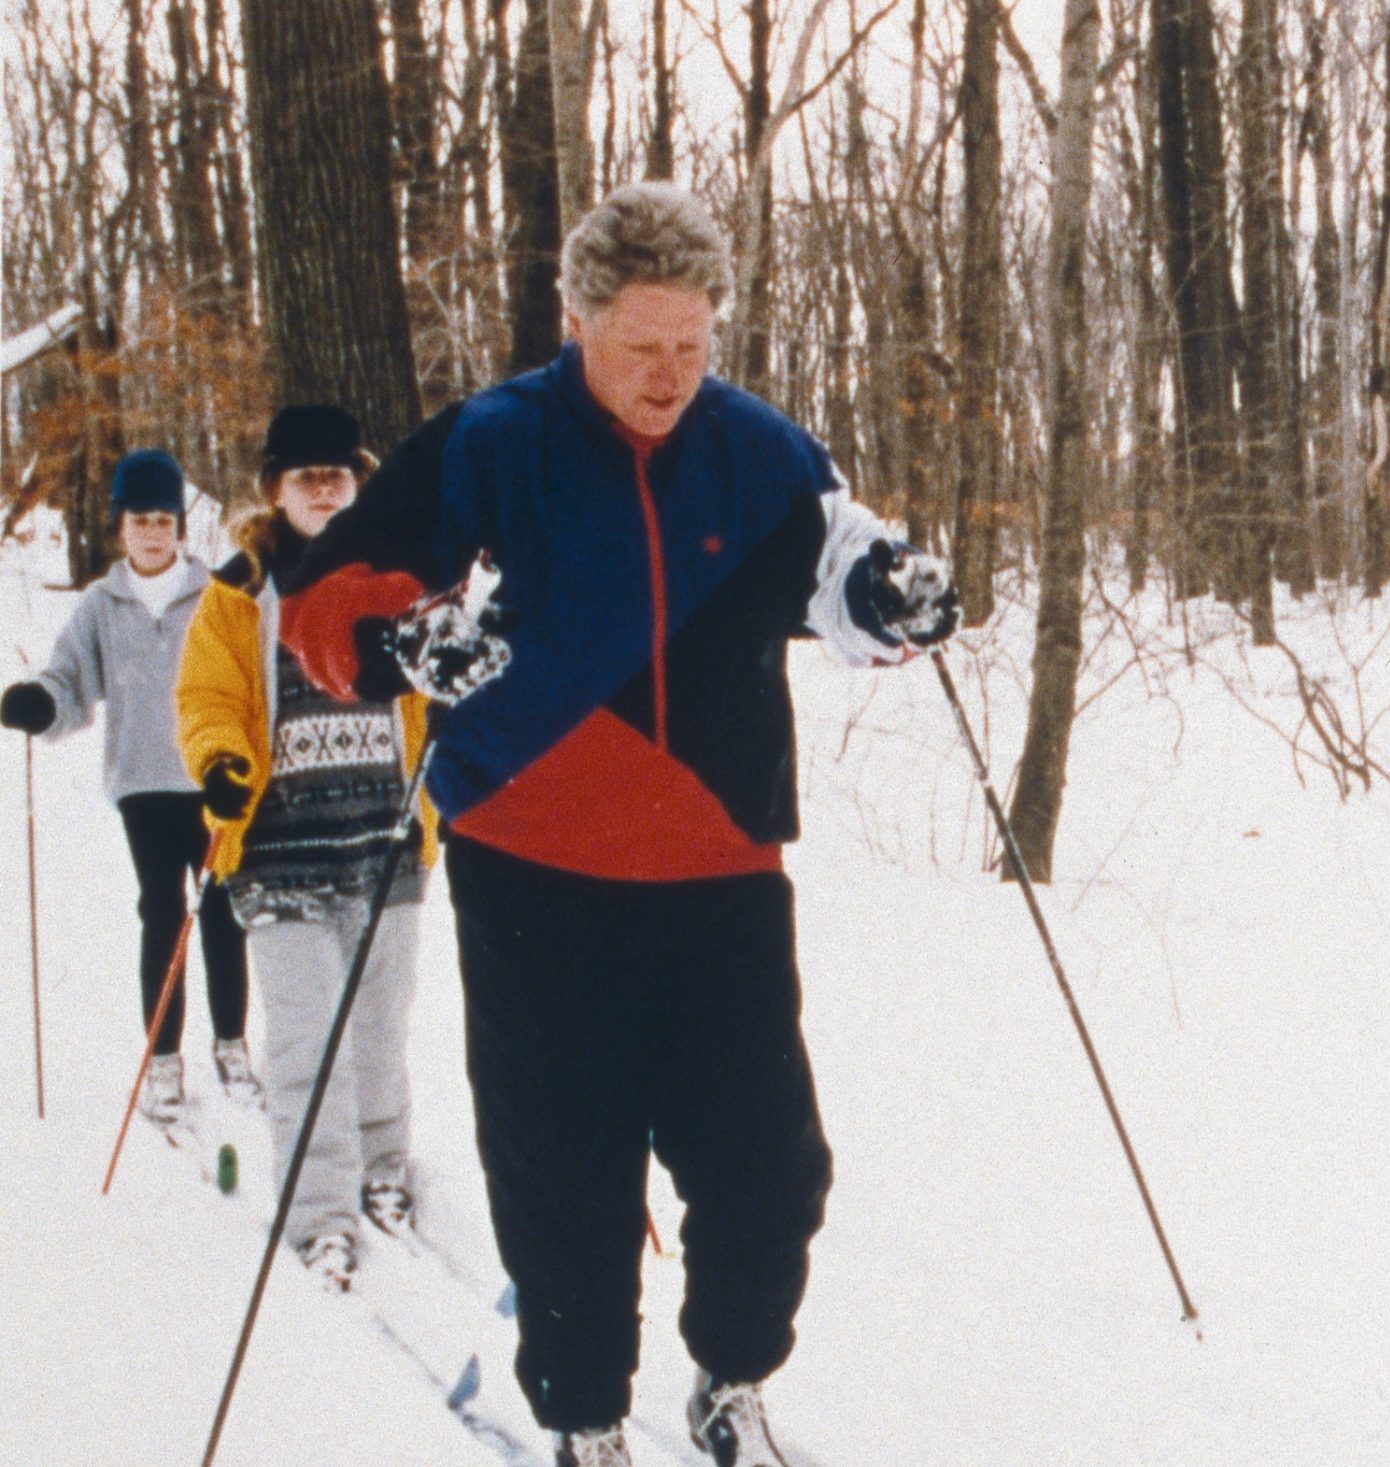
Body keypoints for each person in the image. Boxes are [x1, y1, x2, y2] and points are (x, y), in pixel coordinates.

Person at [274, 183, 959, 1467]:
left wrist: (894, 595)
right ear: (577, 319)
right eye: (643, 346)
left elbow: (836, 571)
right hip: (536, 863)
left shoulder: (759, 450)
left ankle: (731, 1379)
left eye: (694, 345)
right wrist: (404, 641)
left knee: (771, 1168)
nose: (670, 375)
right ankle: (588, 1420)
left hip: (721, 863)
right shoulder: (493, 441)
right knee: (566, 1179)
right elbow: (327, 599)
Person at [174, 405, 432, 1294]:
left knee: (378, 1027)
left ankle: (383, 1167)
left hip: (385, 844)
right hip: (280, 853)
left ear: (358, 481)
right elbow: (206, 695)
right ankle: (319, 1214)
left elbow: (435, 694)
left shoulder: (398, 578)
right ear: (273, 491)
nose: (323, 489)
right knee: (303, 1042)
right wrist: (219, 764)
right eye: (304, 477)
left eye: (336, 474)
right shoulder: (241, 589)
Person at [2, 449, 254, 1123]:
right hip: (142, 780)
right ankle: (163, 1058)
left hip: (213, 780)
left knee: (225, 911)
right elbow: (69, 679)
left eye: (165, 519)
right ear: (121, 526)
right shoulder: (100, 604)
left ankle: (232, 1044)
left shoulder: (217, 595)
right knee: (162, 911)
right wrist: (39, 703)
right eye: (140, 519)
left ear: (180, 525)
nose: (152, 531)